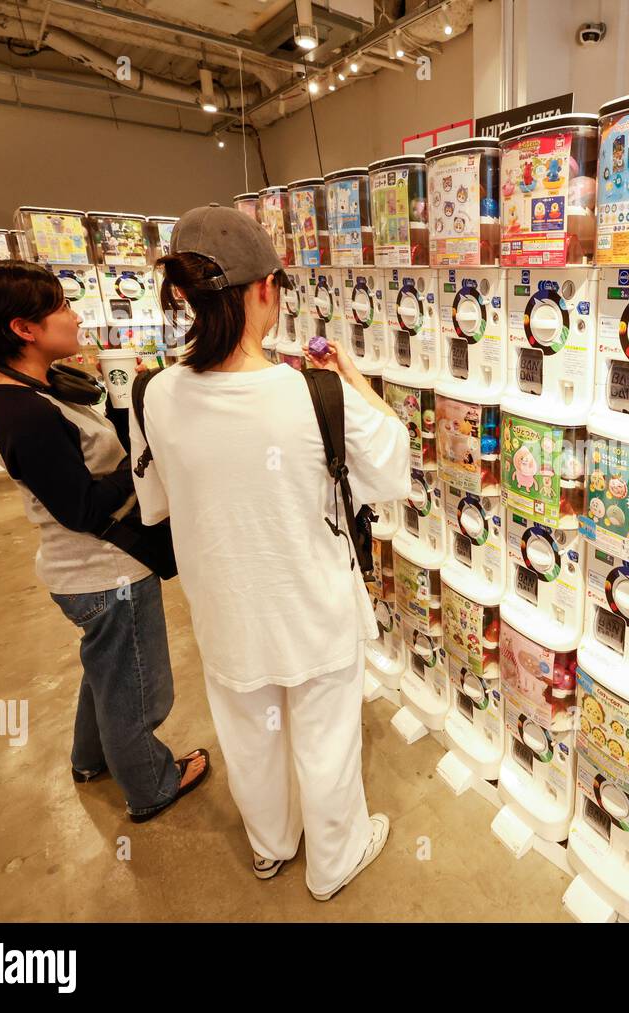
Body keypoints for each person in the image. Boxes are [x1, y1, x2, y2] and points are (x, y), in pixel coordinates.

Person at [131, 205, 409, 900]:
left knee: (250, 735)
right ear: (264, 289)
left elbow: (157, 503)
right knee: (326, 738)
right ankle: (334, 858)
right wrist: (353, 379)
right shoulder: (315, 394)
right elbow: (393, 467)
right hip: (311, 604)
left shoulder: (154, 393)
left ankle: (271, 846)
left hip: (225, 608)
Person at [0, 258, 209, 822]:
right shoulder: (25, 412)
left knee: (108, 671)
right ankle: (151, 786)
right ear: (24, 328)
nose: (75, 314)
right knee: (140, 689)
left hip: (89, 570)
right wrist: (148, 458)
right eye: (62, 306)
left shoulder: (30, 390)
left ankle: (90, 759)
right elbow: (82, 508)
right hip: (103, 570)